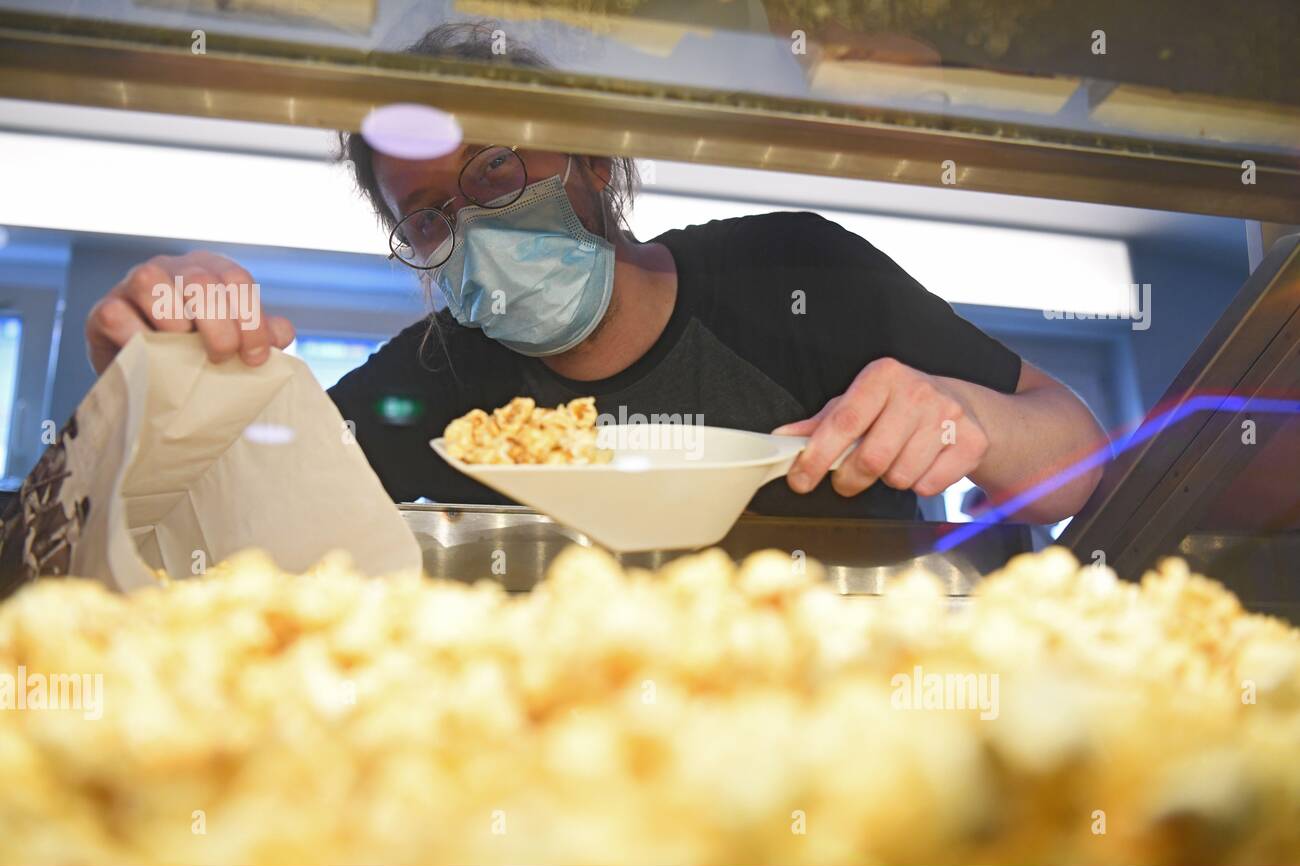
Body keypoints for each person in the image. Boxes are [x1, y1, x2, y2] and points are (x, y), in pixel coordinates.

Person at [84, 21, 1105, 524]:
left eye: (496, 166)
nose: (473, 221)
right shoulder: (425, 382)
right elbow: (213, 524)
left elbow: (1079, 457)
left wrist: (967, 417)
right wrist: (154, 384)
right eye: (431, 214)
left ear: (592, 161)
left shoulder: (796, 265)